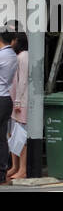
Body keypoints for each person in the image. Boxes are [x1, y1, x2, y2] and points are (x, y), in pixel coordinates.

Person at [6, 34, 26, 180]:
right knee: (13, 135)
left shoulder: (23, 57)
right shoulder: (19, 56)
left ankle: (22, 169)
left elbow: (22, 80)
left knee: (21, 136)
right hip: (15, 101)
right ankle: (15, 166)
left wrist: (18, 101)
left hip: (21, 102)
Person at [0, 29, 15, 185]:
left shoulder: (2, 55)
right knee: (2, 138)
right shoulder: (12, 55)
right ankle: (2, 173)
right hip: (6, 98)